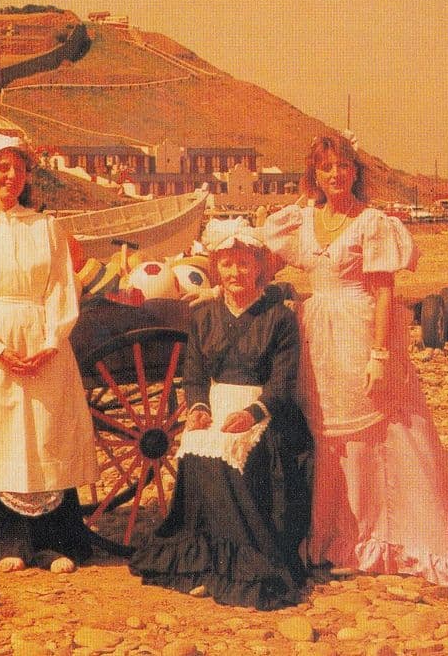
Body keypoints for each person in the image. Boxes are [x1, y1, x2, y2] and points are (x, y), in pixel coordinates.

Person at [261, 132, 448, 587]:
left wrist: (380, 352)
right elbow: (268, 264)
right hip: (318, 334)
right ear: (315, 174)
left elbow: (385, 291)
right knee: (326, 431)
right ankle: (337, 537)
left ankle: (396, 539)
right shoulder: (303, 219)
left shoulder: (372, 222)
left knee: (385, 428)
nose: (336, 175)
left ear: (355, 172)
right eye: (326, 168)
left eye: (344, 167)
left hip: (361, 327)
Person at [129, 218, 314, 610]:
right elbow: (194, 376)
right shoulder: (203, 316)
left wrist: (252, 413)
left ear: (260, 266)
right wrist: (197, 409)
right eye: (227, 264)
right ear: (216, 267)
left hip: (265, 414)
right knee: (199, 442)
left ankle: (241, 562)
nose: (235, 272)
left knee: (233, 448)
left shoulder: (279, 317)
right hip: (215, 407)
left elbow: (282, 383)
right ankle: (206, 562)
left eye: (244, 263)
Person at [0, 133, 99, 574]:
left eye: (18, 168)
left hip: (43, 342)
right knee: (2, 433)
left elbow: (60, 288)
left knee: (44, 431)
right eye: (1, 167)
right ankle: (8, 539)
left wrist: (51, 340)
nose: (10, 176)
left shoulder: (46, 228)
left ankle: (55, 539)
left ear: (28, 175)